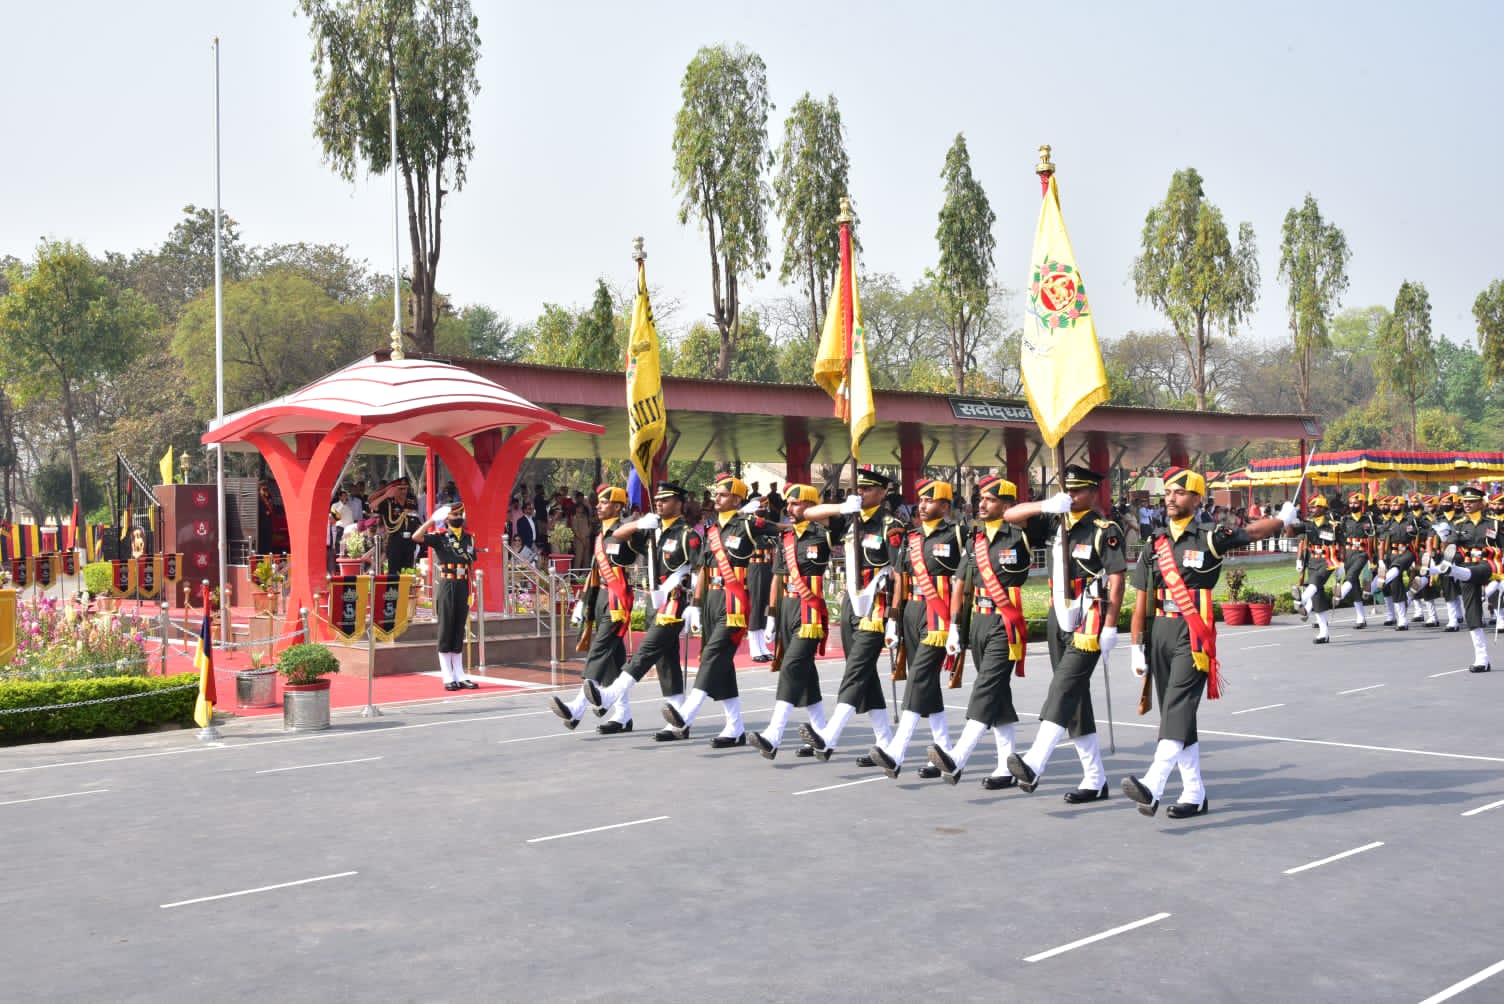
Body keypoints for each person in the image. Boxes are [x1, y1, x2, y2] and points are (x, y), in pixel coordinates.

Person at [1120, 468, 1294, 817]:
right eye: (1168, 492)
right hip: (1160, 632)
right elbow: (1140, 601)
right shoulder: (1154, 544)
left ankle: (1153, 784)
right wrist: (1136, 646)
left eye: (1180, 492)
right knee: (1177, 714)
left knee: (1178, 706)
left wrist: (1281, 520)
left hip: (1193, 631)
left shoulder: (1209, 537)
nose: (1171, 498)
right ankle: (1194, 793)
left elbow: (1251, 532)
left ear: (1198, 499)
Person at [1002, 465, 1126, 802]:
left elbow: (1117, 580)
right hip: (1058, 613)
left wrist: (1111, 625)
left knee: (1063, 686)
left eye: (1078, 490)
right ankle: (1095, 779)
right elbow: (1010, 515)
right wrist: (1045, 505)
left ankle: (1034, 762)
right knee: (1074, 696)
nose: (1071, 495)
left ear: (1093, 493)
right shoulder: (1055, 522)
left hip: (1089, 617)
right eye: (1067, 490)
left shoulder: (1103, 530)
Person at [926, 475, 1044, 788]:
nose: (982, 504)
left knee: (985, 686)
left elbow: (1022, 514)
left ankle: (958, 757)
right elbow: (960, 585)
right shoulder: (974, 539)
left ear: (1007, 505)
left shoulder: (1020, 534)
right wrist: (955, 627)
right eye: (981, 498)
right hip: (978, 621)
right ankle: (1006, 767)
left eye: (990, 499)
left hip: (1006, 624)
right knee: (997, 695)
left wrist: (1025, 509)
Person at [659, 473, 780, 747]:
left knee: (712, 655)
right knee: (722, 664)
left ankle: (686, 714)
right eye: (717, 494)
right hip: (711, 600)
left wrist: (758, 517)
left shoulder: (748, 525)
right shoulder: (712, 529)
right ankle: (735, 727)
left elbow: (786, 530)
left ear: (737, 499)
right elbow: (703, 569)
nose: (717, 498)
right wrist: (696, 605)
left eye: (723, 495)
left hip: (733, 603)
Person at [799, 468, 904, 763]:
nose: (860, 493)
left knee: (856, 670)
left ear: (882, 492)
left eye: (867, 489)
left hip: (877, 605)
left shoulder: (890, 526)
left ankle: (829, 736)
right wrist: (843, 508)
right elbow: (809, 513)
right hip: (851, 604)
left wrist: (894, 617)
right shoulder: (849, 519)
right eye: (857, 489)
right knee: (864, 674)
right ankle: (885, 743)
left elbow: (899, 575)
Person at [867, 478, 964, 780]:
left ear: (945, 506)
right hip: (911, 612)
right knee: (926, 684)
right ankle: (943, 751)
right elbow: (900, 578)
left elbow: (965, 580)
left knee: (919, 677)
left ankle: (896, 752)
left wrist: (957, 624)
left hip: (939, 616)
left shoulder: (958, 534)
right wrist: (893, 618)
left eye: (929, 500)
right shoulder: (910, 538)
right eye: (920, 500)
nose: (922, 505)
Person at [585, 482, 701, 730]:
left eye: (665, 500)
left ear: (679, 503)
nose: (659, 504)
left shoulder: (687, 534)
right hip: (654, 602)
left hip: (675, 602)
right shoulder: (653, 532)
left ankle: (610, 694)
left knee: (646, 651)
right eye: (657, 500)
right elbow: (618, 534)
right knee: (666, 660)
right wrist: (639, 524)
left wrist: (697, 605)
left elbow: (700, 570)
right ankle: (678, 720)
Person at [748, 483, 842, 760]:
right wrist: (771, 615)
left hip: (809, 612)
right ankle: (822, 735)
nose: (789, 508)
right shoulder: (786, 536)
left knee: (791, 667)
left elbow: (833, 517)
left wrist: (814, 511)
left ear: (811, 506)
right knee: (805, 674)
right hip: (787, 608)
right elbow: (777, 577)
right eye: (788, 503)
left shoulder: (823, 533)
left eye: (796, 503)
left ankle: (773, 735)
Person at [551, 486, 642, 730]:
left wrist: (639, 524)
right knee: (613, 658)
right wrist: (583, 601)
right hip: (600, 596)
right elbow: (594, 571)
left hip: (617, 600)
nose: (598, 506)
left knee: (599, 650)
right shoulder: (601, 534)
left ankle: (576, 708)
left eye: (604, 502)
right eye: (598, 502)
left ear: (618, 506)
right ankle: (623, 715)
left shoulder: (625, 532)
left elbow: (642, 545)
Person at [1412, 484, 1499, 672]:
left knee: (1471, 572)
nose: (1467, 504)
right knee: (1472, 614)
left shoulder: (1494, 523)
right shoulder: (1458, 524)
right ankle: (1482, 659)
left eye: (1472, 501)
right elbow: (1451, 548)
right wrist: (1444, 536)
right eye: (1465, 501)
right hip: (1466, 564)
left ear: (1481, 503)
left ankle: (1441, 571)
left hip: (1488, 565)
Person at [411, 501, 479, 691]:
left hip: (463, 584)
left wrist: (472, 588)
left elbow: (470, 563)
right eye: (454, 515)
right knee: (446, 628)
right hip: (447, 584)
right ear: (447, 518)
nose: (458, 518)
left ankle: (460, 674)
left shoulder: (469, 538)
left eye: (460, 515)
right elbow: (416, 537)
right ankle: (447, 675)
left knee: (459, 628)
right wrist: (432, 520)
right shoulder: (440, 536)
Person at [1291, 494, 1344, 644]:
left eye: (1314, 507)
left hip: (1329, 561)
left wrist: (1342, 564)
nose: (1311, 509)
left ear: (1322, 508)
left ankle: (1301, 599)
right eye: (1310, 507)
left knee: (1315, 581)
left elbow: (1341, 544)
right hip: (1313, 560)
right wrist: (1288, 519)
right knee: (1317, 598)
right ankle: (1324, 634)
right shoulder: (1308, 524)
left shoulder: (1333, 525)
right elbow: (1291, 533)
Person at [371, 479, 421, 575]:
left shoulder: (412, 502)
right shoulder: (388, 503)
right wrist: (386, 495)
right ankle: (393, 585)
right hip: (395, 539)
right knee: (394, 571)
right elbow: (372, 505)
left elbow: (415, 519)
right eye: (400, 489)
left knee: (408, 570)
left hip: (410, 540)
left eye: (405, 489)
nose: (403, 492)